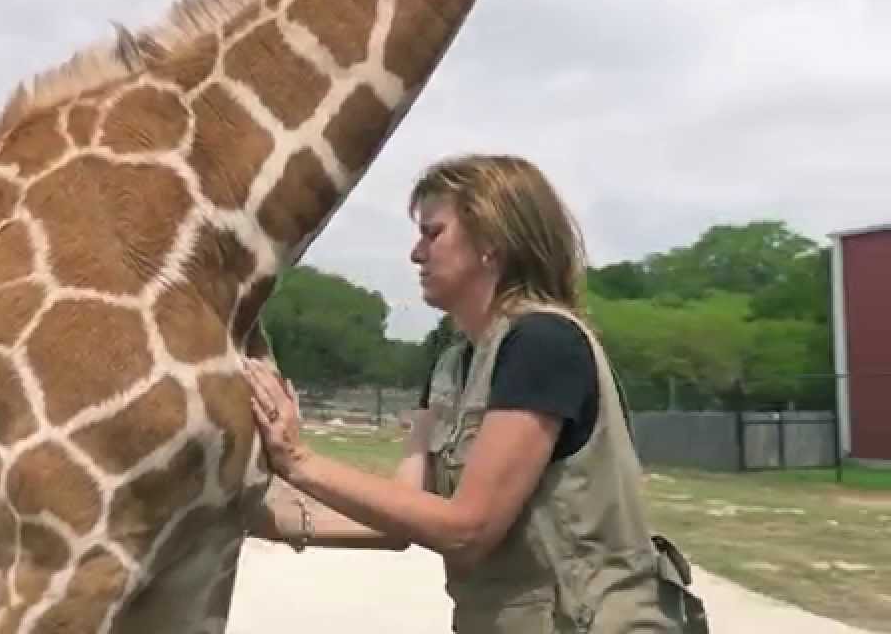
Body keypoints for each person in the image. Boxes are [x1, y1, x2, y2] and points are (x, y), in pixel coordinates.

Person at [244, 154, 708, 633]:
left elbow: (469, 529)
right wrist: (247, 518)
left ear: (491, 243)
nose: (416, 254)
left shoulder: (543, 344)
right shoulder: (450, 366)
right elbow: (401, 513)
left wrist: (298, 460)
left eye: (433, 232)